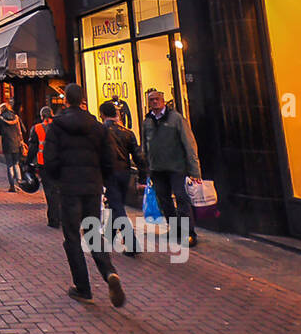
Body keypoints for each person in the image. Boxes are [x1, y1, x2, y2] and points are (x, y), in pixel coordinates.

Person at [44, 84, 124, 307]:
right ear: (82, 100)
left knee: (71, 237)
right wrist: (102, 180)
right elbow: (109, 159)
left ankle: (83, 287)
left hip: (69, 189)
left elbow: (49, 159)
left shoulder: (57, 127)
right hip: (92, 188)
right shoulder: (98, 128)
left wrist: (58, 178)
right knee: (92, 232)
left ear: (66, 100)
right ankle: (109, 272)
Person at [142, 89, 202, 248]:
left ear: (163, 101)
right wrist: (147, 169)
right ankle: (175, 228)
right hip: (157, 169)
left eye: (157, 99)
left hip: (176, 167)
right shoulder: (147, 121)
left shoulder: (176, 119)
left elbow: (189, 144)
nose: (154, 102)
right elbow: (145, 147)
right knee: (164, 200)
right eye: (152, 100)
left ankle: (189, 233)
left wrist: (195, 170)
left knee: (182, 198)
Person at [99, 101, 147, 255]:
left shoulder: (101, 131)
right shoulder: (128, 132)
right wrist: (142, 178)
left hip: (109, 173)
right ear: (117, 114)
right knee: (116, 204)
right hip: (125, 173)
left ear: (102, 115)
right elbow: (139, 157)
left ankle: (132, 243)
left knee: (118, 207)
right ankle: (109, 235)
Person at [25, 107, 61, 228]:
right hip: (59, 163)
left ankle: (53, 218)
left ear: (41, 116)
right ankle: (61, 215)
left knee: (50, 191)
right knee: (59, 189)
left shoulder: (37, 128)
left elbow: (32, 148)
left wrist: (28, 162)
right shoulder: (59, 127)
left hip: (43, 163)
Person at [0, 103, 27, 193]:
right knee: (16, 164)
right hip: (17, 144)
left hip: (7, 144)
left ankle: (12, 186)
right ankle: (20, 183)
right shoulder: (16, 117)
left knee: (9, 165)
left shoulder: (0, 119)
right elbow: (24, 130)